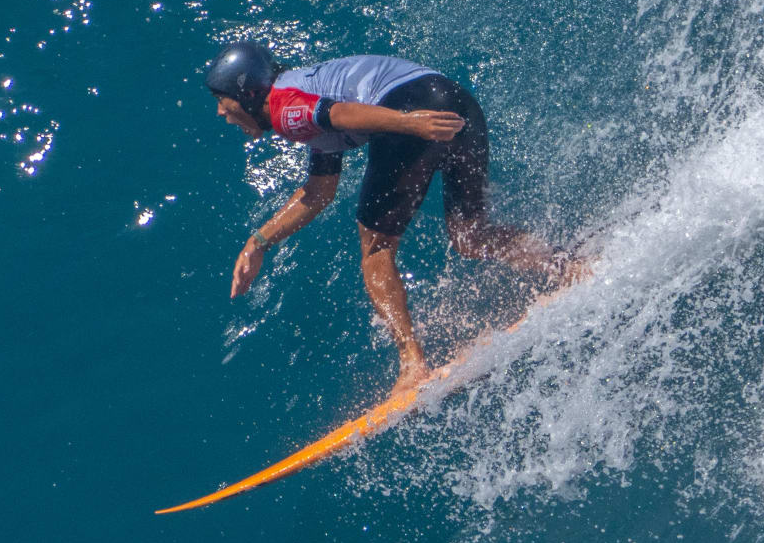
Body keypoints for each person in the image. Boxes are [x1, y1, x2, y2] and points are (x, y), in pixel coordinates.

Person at [206, 41, 575, 387]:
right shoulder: (302, 98)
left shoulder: (285, 108)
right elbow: (319, 192)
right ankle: (568, 267)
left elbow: (341, 112)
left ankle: (412, 363)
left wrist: (411, 123)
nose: (221, 113)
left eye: (224, 101)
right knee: (470, 236)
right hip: (456, 102)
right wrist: (258, 244)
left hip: (412, 113)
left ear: (250, 94)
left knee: (377, 251)